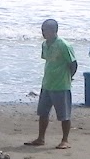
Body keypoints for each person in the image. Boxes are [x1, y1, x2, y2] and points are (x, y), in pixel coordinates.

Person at [26, 18, 77, 149]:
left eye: (45, 31)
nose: (43, 33)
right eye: (42, 30)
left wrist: (69, 77)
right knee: (43, 113)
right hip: (47, 83)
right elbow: (48, 61)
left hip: (61, 85)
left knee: (64, 114)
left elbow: (73, 64)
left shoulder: (63, 45)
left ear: (54, 31)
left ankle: (65, 140)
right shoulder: (45, 45)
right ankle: (40, 138)